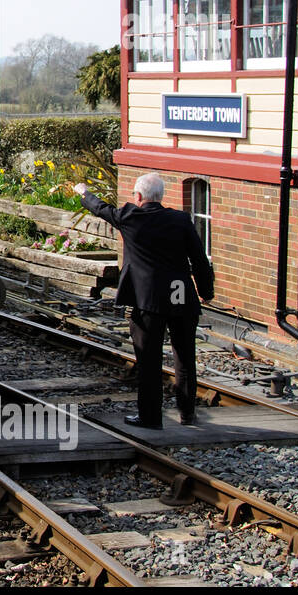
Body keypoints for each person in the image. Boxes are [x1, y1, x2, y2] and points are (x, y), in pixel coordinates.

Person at [74, 172, 215, 429]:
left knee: (149, 362)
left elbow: (101, 209)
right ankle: (187, 414)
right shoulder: (181, 220)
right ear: (160, 196)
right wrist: (206, 292)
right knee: (185, 358)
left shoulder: (130, 217)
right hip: (182, 297)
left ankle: (150, 417)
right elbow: (199, 260)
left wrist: (83, 192)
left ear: (138, 197)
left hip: (148, 301)